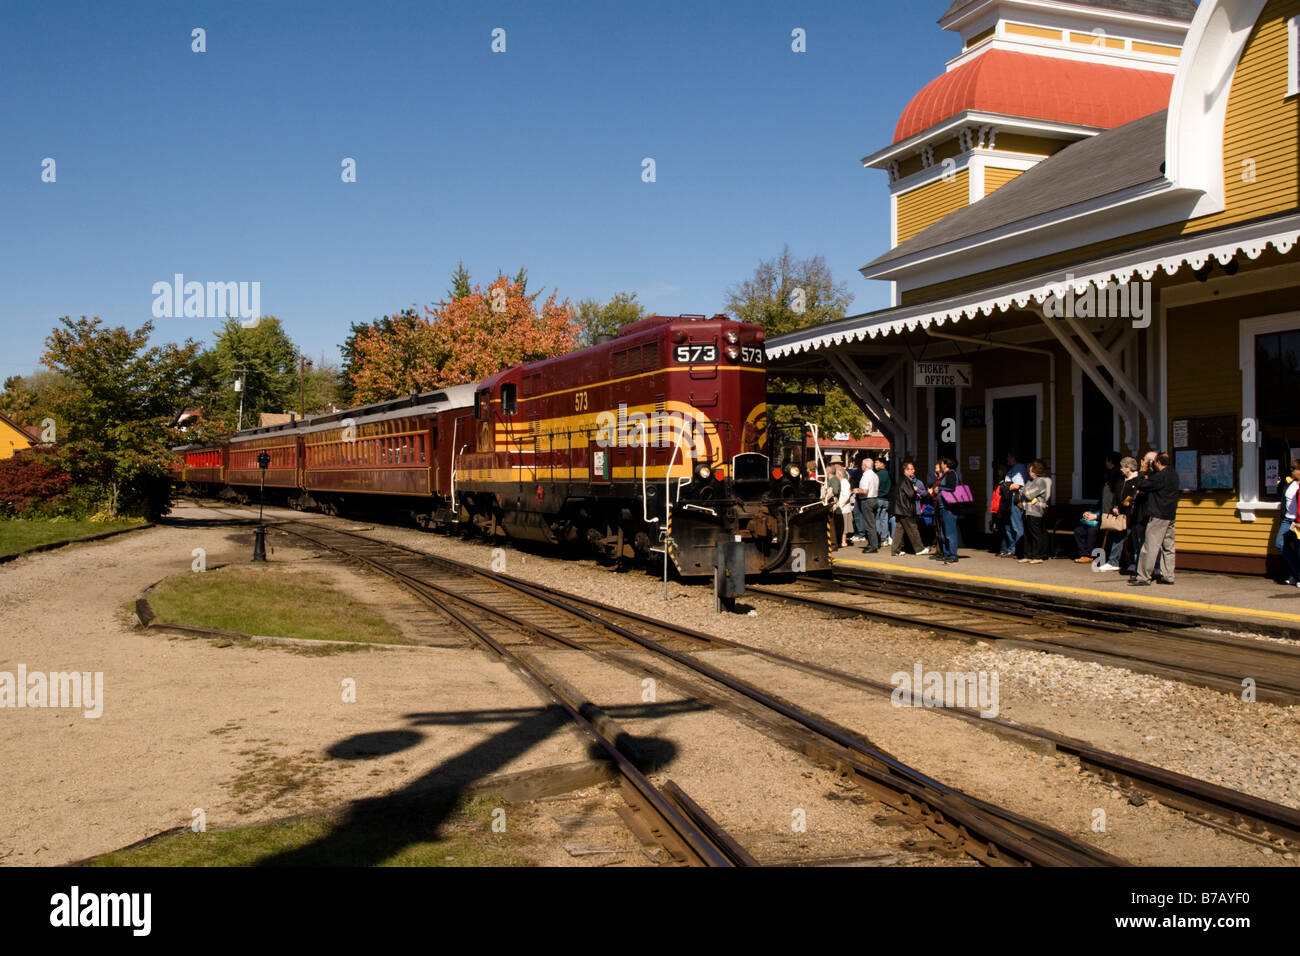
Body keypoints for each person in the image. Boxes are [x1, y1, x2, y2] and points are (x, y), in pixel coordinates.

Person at [1131, 452, 1179, 586]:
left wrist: (1142, 470)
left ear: (1157, 463)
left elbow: (1141, 484)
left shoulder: (1160, 477)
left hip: (1158, 515)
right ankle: (1168, 575)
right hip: (1170, 515)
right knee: (1168, 547)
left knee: (1150, 546)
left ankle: (1143, 577)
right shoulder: (1173, 475)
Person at [1074, 452, 1122, 563]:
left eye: (1106, 460)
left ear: (1110, 462)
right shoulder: (1108, 479)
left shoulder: (1115, 479)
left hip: (1109, 516)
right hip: (1101, 513)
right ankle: (1085, 554)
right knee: (1079, 530)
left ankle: (1093, 555)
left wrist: (1096, 516)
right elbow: (1102, 502)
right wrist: (1090, 513)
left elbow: (1109, 503)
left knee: (1093, 530)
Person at [1096, 456, 1139, 572]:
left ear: (1128, 468)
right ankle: (1113, 561)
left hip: (1131, 515)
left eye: (1122, 467)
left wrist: (1121, 507)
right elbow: (1116, 496)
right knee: (1118, 537)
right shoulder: (1121, 481)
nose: (1120, 469)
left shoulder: (1137, 481)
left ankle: (1134, 563)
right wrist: (1115, 507)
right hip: (1119, 515)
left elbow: (1132, 497)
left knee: (1132, 540)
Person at [890, 459, 929, 556]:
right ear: (906, 471)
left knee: (899, 529)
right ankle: (919, 549)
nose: (913, 471)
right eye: (911, 469)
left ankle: (895, 550)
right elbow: (910, 494)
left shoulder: (901, 479)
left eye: (913, 469)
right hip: (905, 509)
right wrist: (916, 492)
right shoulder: (907, 481)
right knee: (912, 528)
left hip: (899, 509)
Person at [1018, 459, 1052, 565]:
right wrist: (1023, 491)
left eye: (1031, 470)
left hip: (1036, 510)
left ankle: (1038, 556)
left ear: (1037, 470)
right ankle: (1028, 555)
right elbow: (1022, 494)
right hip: (1027, 510)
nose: (1030, 472)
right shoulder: (1031, 481)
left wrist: (1023, 490)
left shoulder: (1042, 481)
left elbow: (1028, 494)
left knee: (1036, 534)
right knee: (1027, 534)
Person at [930, 457, 960, 564]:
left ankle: (952, 554)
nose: (940, 465)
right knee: (944, 532)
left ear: (946, 464)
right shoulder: (947, 475)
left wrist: (940, 488)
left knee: (950, 532)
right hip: (944, 507)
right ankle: (946, 553)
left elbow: (952, 487)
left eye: (942, 463)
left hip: (949, 507)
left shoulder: (951, 474)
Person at [1000, 452, 1029, 557]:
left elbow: (1017, 485)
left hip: (1016, 499)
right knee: (1009, 525)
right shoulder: (1013, 469)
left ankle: (1018, 549)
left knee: (1017, 525)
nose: (1007, 459)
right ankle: (1011, 549)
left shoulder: (1019, 469)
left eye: (1008, 457)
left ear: (1014, 458)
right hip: (1009, 499)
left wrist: (1005, 486)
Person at [855, 456, 881, 552]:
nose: (861, 466)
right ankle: (874, 543)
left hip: (867, 500)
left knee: (869, 524)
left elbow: (865, 491)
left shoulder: (866, 476)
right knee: (873, 523)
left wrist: (857, 490)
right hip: (874, 499)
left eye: (862, 465)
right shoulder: (875, 475)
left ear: (865, 466)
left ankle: (873, 546)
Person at [1281, 459, 1300, 586]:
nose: (1291, 470)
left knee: (1299, 549)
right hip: (1288, 520)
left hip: (1297, 521)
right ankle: (1296, 574)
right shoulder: (1290, 483)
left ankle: (1296, 576)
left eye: (1294, 468)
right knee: (1281, 544)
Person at [874, 458, 893, 547]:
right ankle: (884, 538)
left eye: (877, 463)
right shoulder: (888, 474)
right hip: (886, 499)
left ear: (883, 464)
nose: (875, 464)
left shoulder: (878, 474)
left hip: (879, 498)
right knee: (884, 519)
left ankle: (879, 537)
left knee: (877, 519)